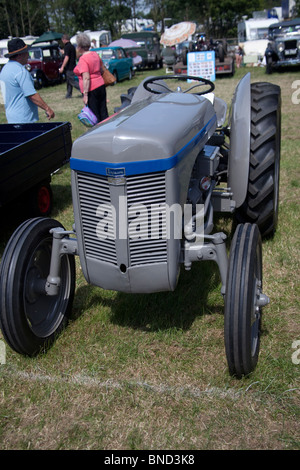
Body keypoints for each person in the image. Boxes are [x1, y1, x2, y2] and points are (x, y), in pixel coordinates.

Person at [0, 38, 55, 123]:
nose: (28, 55)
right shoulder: (20, 71)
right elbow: (31, 94)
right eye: (26, 52)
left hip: (11, 117)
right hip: (24, 118)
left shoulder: (4, 70)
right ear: (19, 55)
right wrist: (47, 108)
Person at [74, 33, 108, 123]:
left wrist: (85, 95)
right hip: (100, 84)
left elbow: (86, 77)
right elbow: (101, 69)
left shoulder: (83, 59)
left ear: (80, 47)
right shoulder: (95, 54)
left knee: (94, 114)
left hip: (91, 88)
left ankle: (98, 134)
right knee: (103, 111)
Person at [59, 34, 80, 98]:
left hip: (70, 67)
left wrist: (62, 67)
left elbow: (67, 57)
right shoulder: (72, 46)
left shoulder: (67, 47)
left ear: (64, 40)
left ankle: (83, 91)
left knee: (72, 81)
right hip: (73, 65)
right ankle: (68, 94)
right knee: (68, 81)